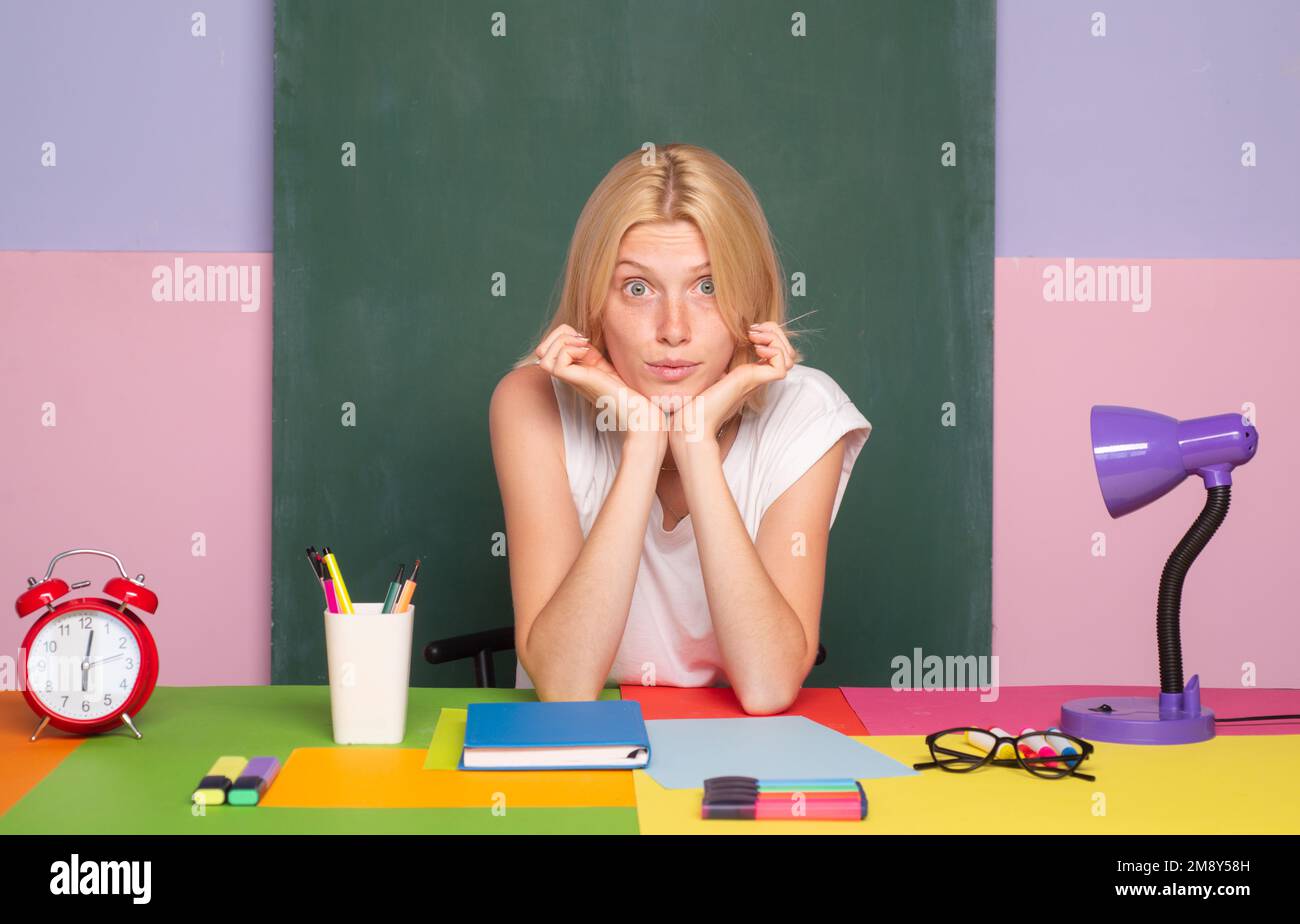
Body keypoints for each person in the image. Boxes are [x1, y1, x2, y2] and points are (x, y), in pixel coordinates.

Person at [489, 144, 871, 714]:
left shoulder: (806, 411)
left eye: (707, 286)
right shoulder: (530, 404)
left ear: (749, 298)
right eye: (637, 288)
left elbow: (767, 687)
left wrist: (694, 444)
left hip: (739, 747)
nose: (673, 329)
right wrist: (643, 442)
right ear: (595, 301)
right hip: (583, 749)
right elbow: (566, 687)